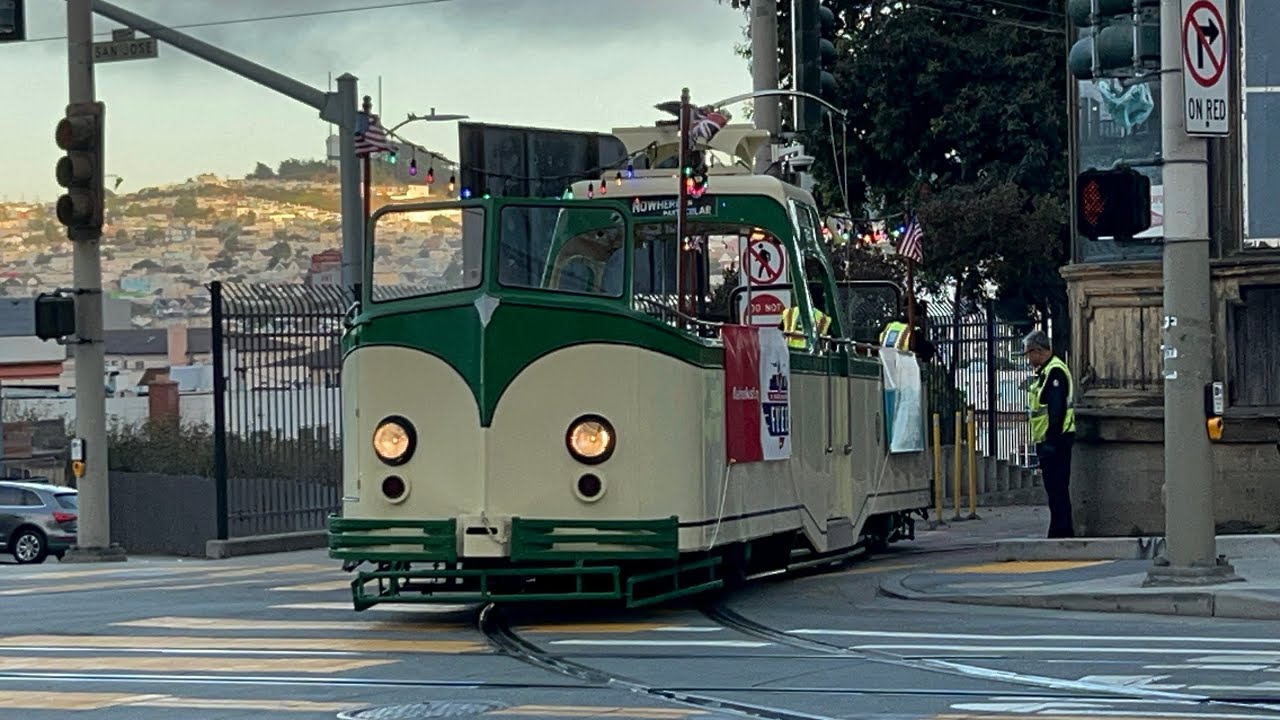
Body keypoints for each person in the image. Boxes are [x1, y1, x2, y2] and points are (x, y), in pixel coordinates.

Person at [1022, 329, 1075, 538]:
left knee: (1057, 489)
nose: (1027, 359)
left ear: (1037, 351)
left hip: (1056, 441)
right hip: (1050, 440)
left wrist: (1051, 442)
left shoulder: (1055, 372)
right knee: (1054, 490)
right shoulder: (1046, 372)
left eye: (1028, 354)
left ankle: (1061, 532)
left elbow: (1056, 409)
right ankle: (1058, 530)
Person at [780, 285, 832, 349]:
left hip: (789, 354)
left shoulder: (789, 312)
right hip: (811, 356)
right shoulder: (824, 319)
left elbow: (780, 335)